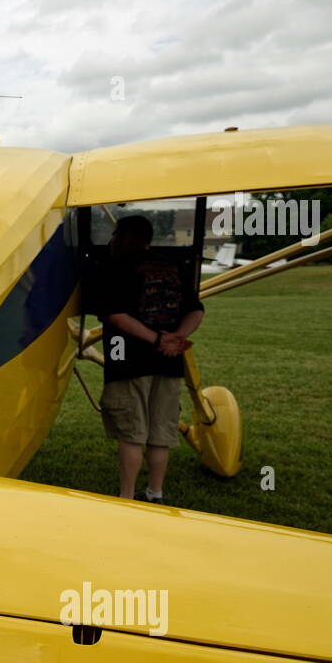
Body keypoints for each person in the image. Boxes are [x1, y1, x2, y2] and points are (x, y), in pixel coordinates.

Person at [98, 215, 205, 503]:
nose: (112, 240)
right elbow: (196, 310)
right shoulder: (174, 266)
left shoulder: (115, 267)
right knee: (160, 432)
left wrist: (158, 340)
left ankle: (127, 496)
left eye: (117, 234)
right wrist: (177, 339)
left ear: (128, 237)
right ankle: (155, 493)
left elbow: (116, 316)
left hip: (128, 362)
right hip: (169, 363)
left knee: (132, 433)